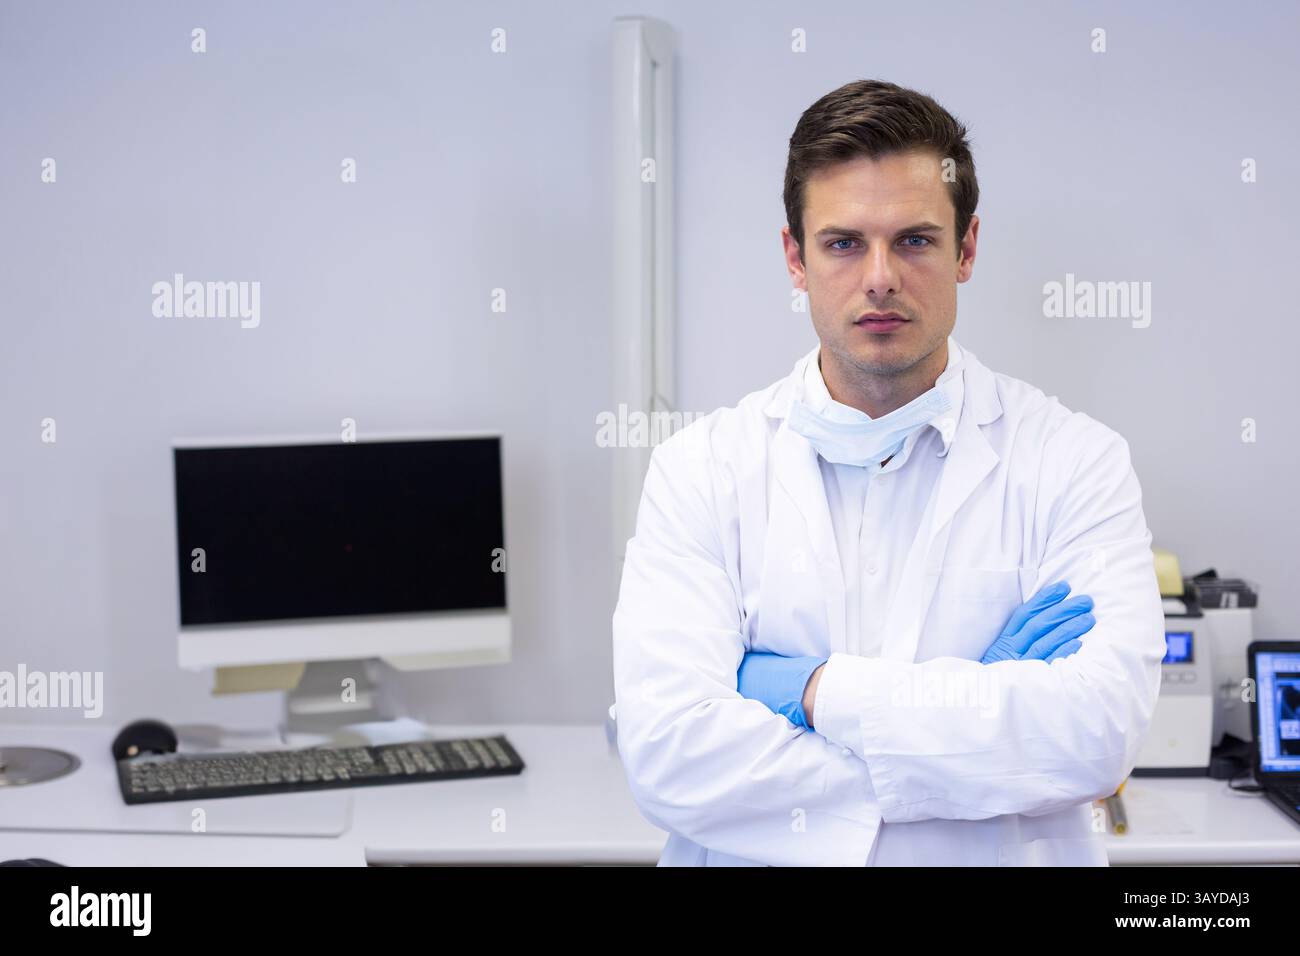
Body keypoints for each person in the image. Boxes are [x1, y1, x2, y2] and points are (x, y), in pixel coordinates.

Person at [611, 79, 1166, 866]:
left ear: (965, 249)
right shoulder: (700, 470)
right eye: (842, 243)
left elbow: (1093, 741)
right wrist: (976, 721)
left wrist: (809, 690)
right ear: (794, 257)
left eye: (914, 240)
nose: (879, 277)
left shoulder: (1075, 462)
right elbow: (672, 758)